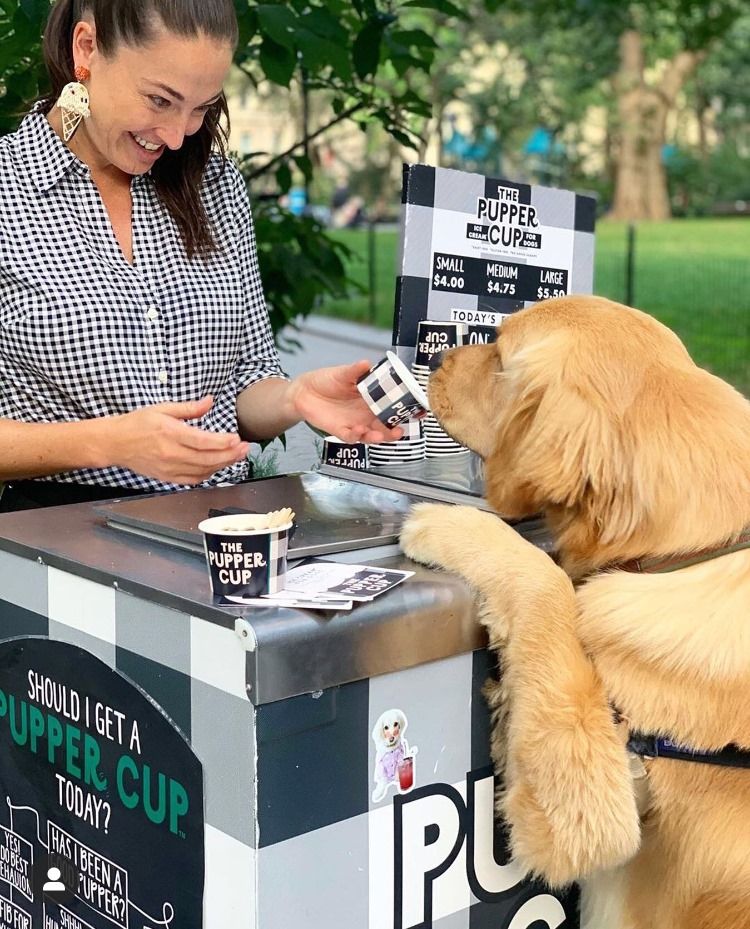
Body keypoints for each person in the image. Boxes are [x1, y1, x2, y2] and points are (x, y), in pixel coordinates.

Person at [0, 0, 399, 512]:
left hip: (222, 528)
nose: (176, 136)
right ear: (87, 48)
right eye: (159, 100)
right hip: (57, 537)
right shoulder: (8, 187)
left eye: (201, 108)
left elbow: (247, 380)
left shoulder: (216, 185)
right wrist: (108, 443)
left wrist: (295, 396)